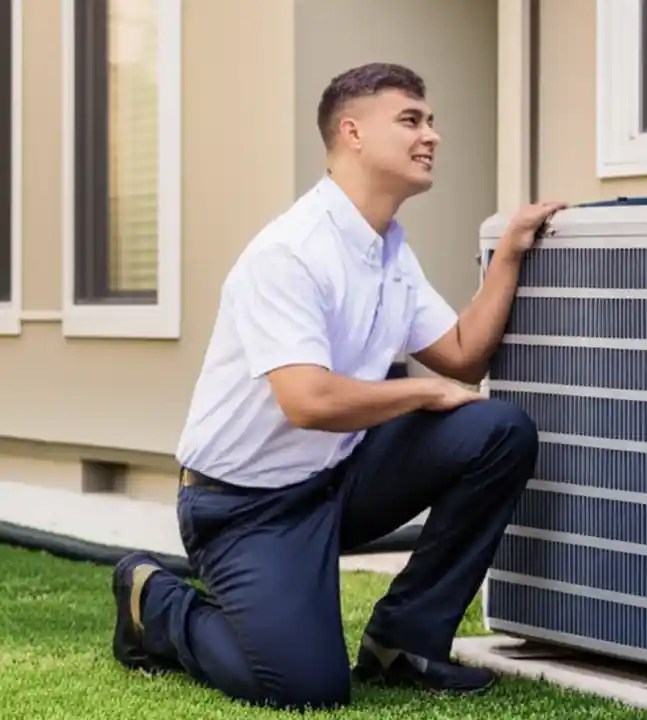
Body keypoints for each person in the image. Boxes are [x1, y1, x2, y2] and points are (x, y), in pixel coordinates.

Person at [108, 62, 566, 710]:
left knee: (498, 431)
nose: (430, 134)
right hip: (244, 506)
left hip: (338, 478)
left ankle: (404, 642)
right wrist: (420, 393)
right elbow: (308, 401)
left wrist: (511, 253)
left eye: (430, 120)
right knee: (305, 687)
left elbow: (462, 356)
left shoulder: (389, 253)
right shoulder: (291, 252)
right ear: (351, 131)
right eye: (410, 119)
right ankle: (154, 602)